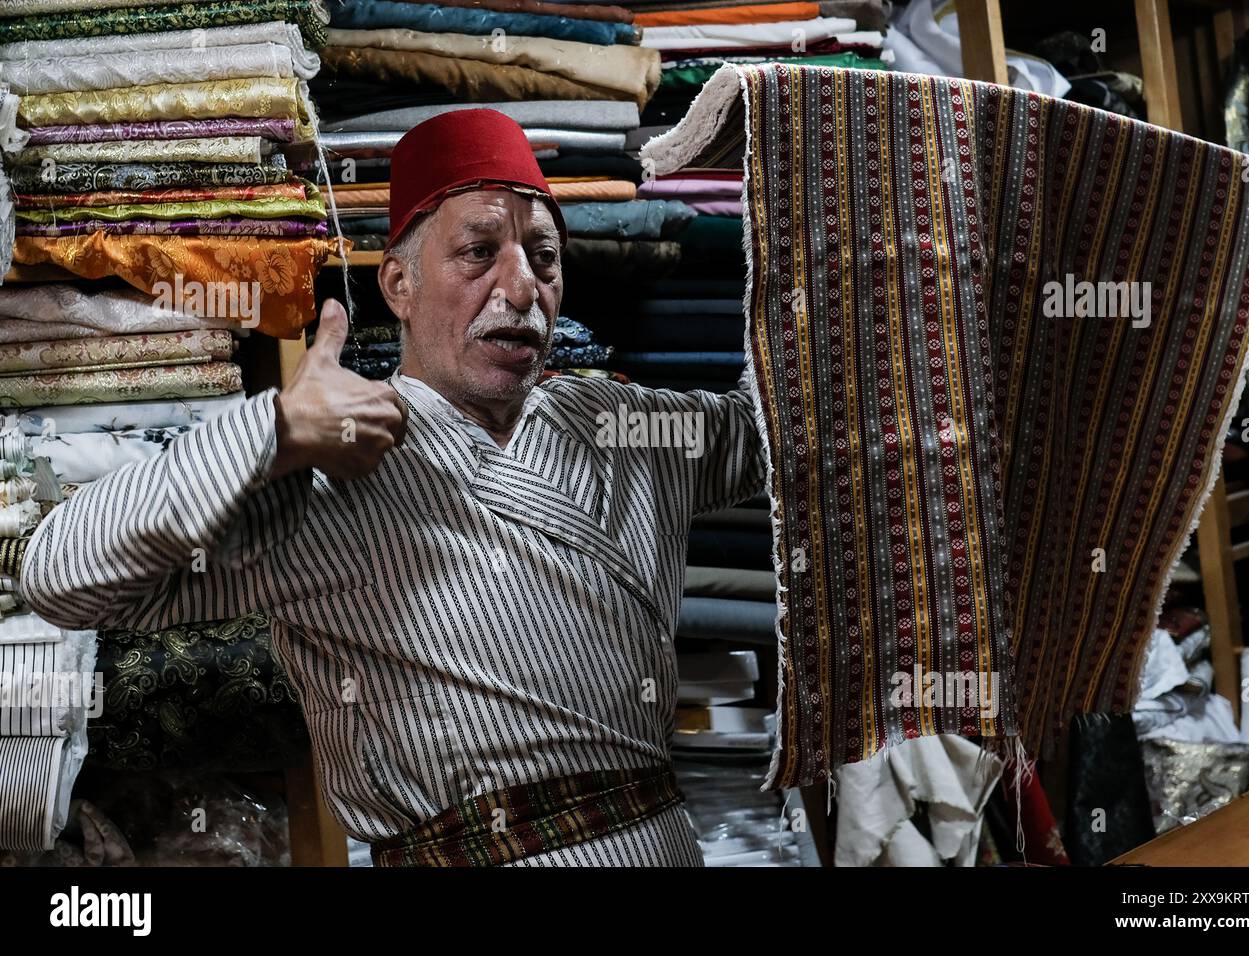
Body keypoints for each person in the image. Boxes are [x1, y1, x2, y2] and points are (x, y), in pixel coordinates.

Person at [21, 109, 766, 867]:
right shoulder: (331, 472)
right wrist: (273, 429)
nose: (522, 287)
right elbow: (58, 578)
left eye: (545, 258)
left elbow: (784, 430)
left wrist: (781, 161)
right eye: (478, 252)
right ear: (399, 284)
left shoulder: (617, 425)